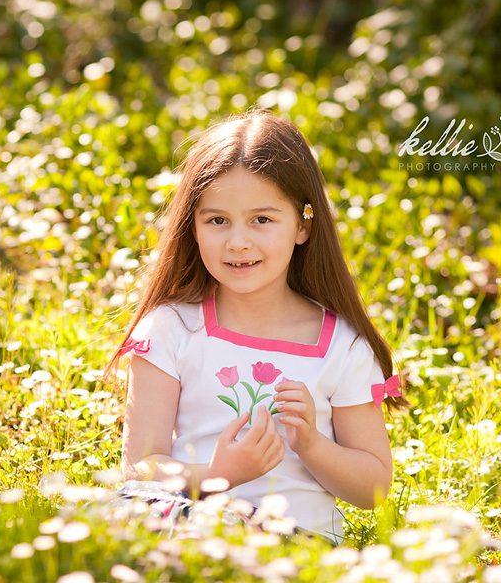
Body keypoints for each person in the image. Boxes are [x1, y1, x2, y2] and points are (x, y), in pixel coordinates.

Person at [101, 108, 409, 546]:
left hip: (293, 542)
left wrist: (311, 444)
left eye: (262, 219)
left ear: (302, 226)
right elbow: (141, 467)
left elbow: (374, 488)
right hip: (188, 522)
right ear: (193, 226)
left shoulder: (341, 346)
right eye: (217, 220)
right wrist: (218, 476)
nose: (238, 241)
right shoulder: (171, 328)